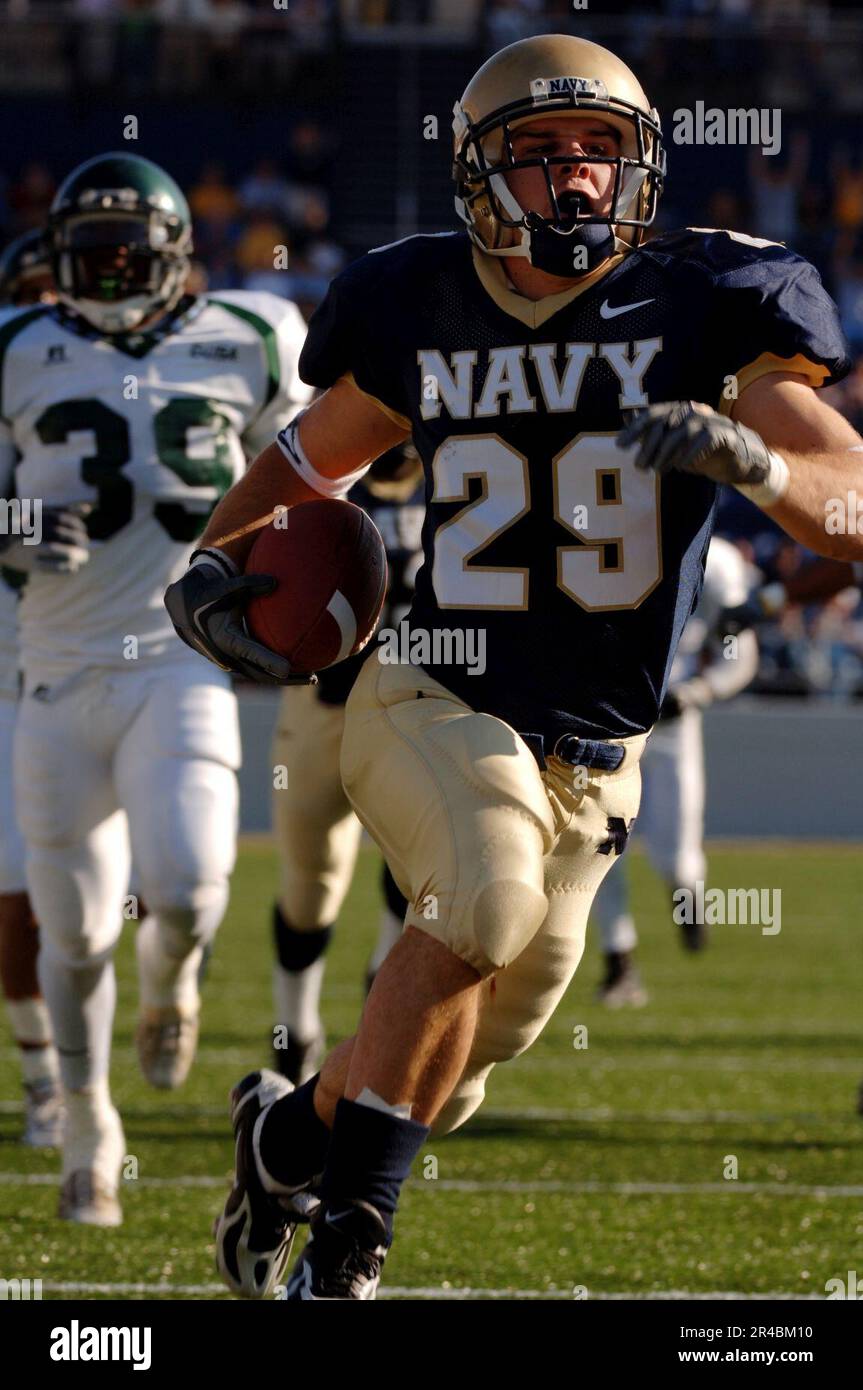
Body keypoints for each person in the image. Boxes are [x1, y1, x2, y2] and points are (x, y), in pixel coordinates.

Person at [166, 35, 862, 1299]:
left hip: (599, 759)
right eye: (541, 156)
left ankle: (282, 1141)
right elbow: (312, 459)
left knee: (461, 1060)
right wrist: (217, 561)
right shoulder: (413, 299)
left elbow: (847, 500)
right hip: (434, 688)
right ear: (480, 176)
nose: (577, 180)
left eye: (599, 150)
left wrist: (754, 462)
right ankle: (348, 1247)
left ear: (639, 166)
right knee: (478, 907)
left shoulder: (710, 300)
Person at [0, 152, 311, 1225]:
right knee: (73, 933)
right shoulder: (17, 348)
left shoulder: (254, 336)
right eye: (92, 254)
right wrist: (16, 525)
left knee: (187, 885)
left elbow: (321, 470)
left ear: (178, 258)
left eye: (130, 252)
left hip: (179, 657)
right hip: (52, 673)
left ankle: (173, 980)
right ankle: (89, 1123)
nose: (113, 270)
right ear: (57, 260)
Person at [271, 441, 424, 1085]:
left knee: (424, 863)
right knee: (312, 883)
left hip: (418, 705)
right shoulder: (312, 472)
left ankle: (383, 970)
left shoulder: (468, 458)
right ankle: (294, 1028)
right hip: (321, 705)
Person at [593, 535, 759, 1005]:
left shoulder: (720, 562)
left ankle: (687, 897)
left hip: (671, 718)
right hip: (605, 715)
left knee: (675, 855)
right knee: (597, 846)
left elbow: (738, 649)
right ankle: (618, 960)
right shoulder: (601, 534)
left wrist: (702, 691)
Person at [0, 229, 63, 1147]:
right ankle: (44, 1074)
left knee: (171, 878)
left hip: (126, 655)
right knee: (17, 882)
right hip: (16, 657)